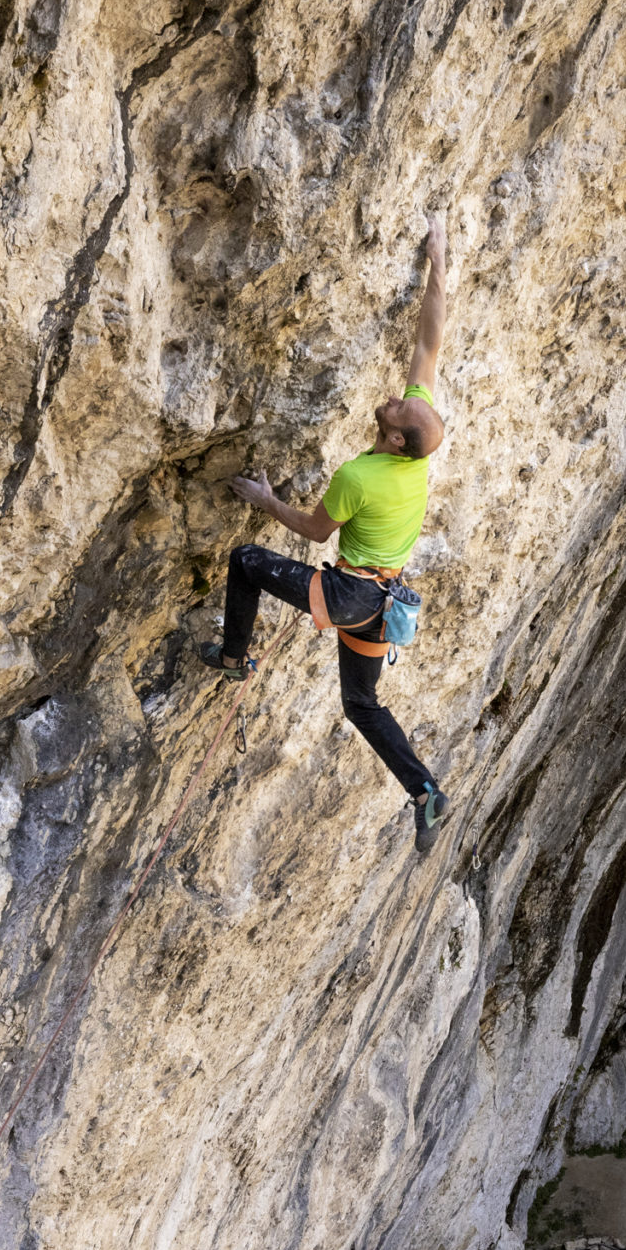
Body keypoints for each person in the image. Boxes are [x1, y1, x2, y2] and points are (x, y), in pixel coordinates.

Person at [201, 217, 451, 853]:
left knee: (248, 560)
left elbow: (313, 532)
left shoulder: (361, 475)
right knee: (361, 706)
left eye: (401, 407)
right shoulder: (414, 457)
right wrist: (437, 257)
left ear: (398, 437)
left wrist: (265, 499)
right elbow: (430, 337)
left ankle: (233, 660)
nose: (398, 398)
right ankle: (425, 792)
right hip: (385, 604)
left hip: (351, 597)